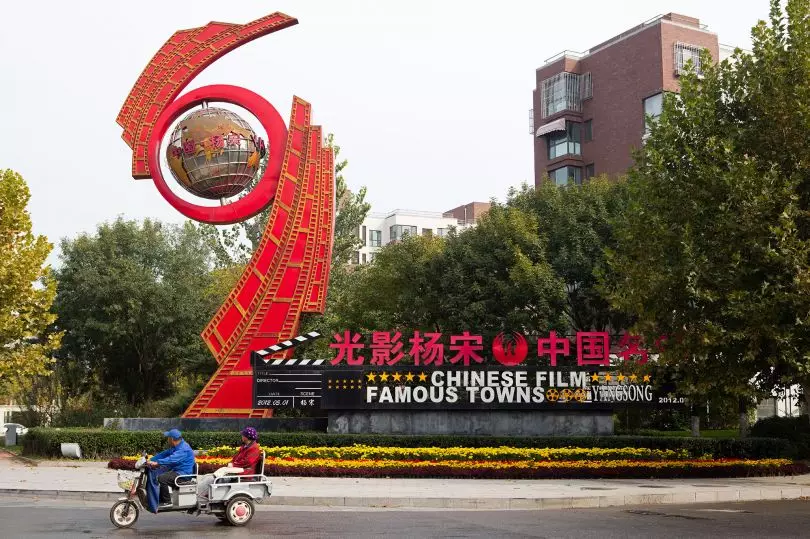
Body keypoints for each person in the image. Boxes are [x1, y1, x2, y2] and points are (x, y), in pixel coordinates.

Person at [196, 427, 261, 505]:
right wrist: (232, 463)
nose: (242, 436)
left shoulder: (254, 448)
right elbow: (236, 457)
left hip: (246, 470)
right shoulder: (245, 446)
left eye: (243, 435)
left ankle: (213, 489)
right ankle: (212, 487)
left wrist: (234, 464)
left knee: (224, 471)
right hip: (241, 468)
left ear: (247, 437)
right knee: (222, 471)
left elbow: (248, 462)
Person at [148, 428, 196, 507]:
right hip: (177, 471)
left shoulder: (183, 449)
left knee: (162, 478)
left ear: (172, 439)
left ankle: (167, 502)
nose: (167, 440)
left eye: (168, 438)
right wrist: (150, 460)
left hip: (183, 475)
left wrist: (157, 463)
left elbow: (172, 459)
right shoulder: (176, 446)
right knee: (158, 475)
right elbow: (164, 454)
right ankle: (160, 500)